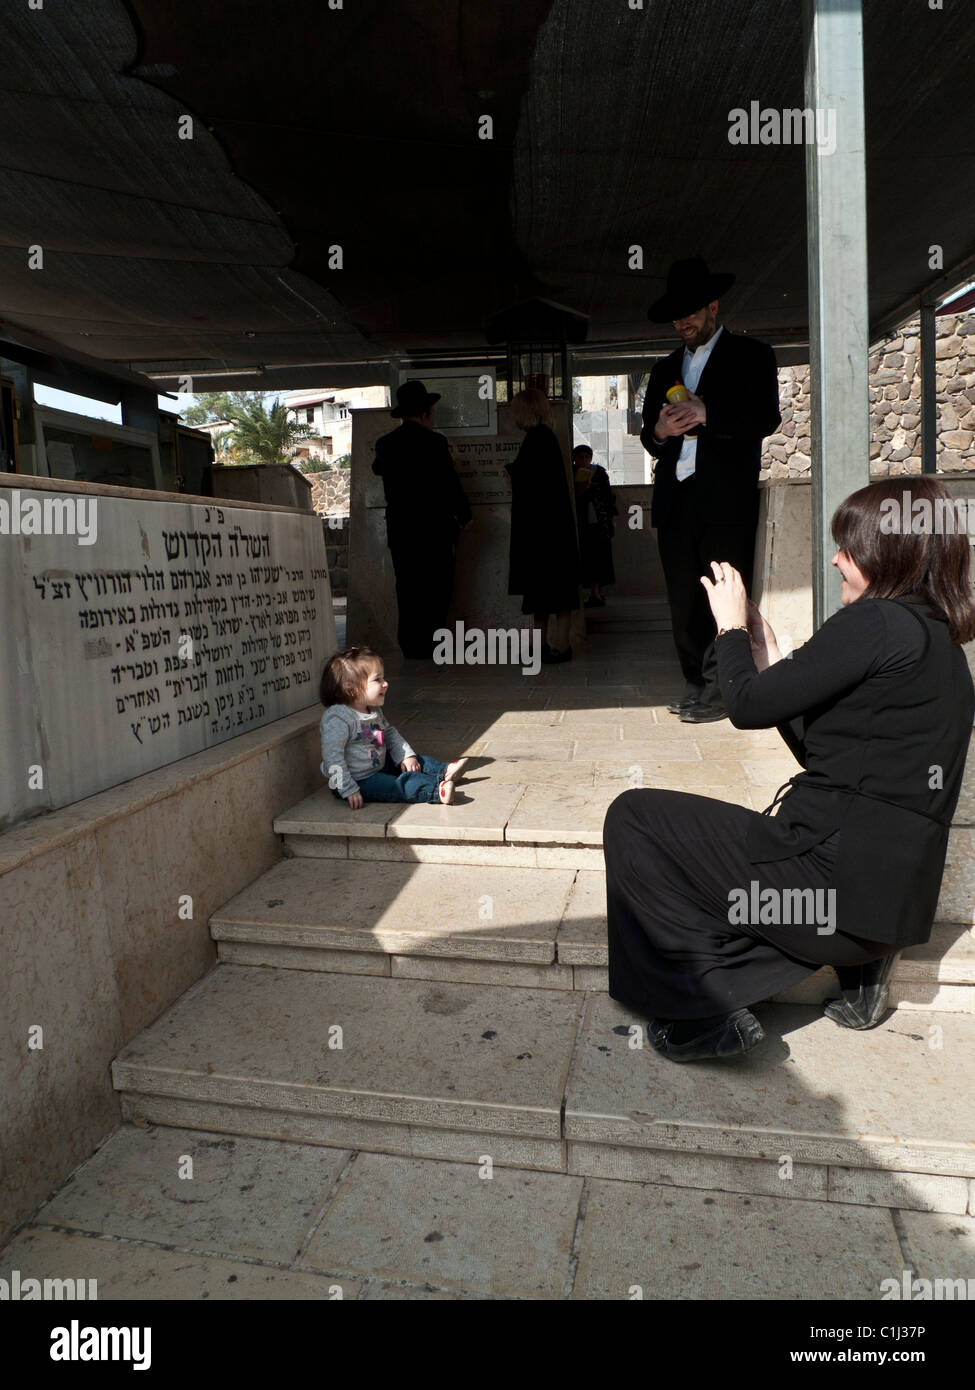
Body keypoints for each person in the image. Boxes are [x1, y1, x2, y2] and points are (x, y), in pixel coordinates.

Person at [602, 476, 975, 1062]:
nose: (835, 559)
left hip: (828, 888)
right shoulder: (943, 650)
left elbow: (744, 706)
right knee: (745, 884)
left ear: (890, 551)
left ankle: (695, 1008)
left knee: (635, 818)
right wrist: (769, 655)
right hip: (884, 911)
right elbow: (836, 757)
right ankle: (864, 971)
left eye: (848, 548)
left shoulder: (875, 623)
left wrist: (726, 627)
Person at [641, 257, 781, 722]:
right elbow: (649, 437)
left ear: (713, 306)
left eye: (692, 312)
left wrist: (709, 414)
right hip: (675, 503)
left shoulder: (753, 356)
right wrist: (660, 431)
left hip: (726, 503)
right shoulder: (662, 371)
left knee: (724, 597)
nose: (684, 321)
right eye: (677, 315)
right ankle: (695, 683)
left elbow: (766, 419)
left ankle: (725, 692)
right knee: (683, 600)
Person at [372, 380, 473, 659]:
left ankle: (411, 644)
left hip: (402, 528)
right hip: (435, 528)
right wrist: (464, 515)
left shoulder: (385, 444)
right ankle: (432, 643)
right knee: (437, 586)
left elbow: (377, 468)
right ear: (427, 412)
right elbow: (450, 483)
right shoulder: (435, 443)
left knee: (407, 586)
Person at [320, 645, 468, 807]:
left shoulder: (373, 710)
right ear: (352, 689)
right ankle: (434, 789)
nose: (385, 684)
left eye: (383, 678)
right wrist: (347, 788)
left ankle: (443, 771)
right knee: (396, 786)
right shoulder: (338, 718)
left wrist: (405, 755)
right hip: (358, 780)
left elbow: (388, 734)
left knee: (414, 760)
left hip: (378, 764)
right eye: (378, 680)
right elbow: (332, 757)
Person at [505, 388, 581, 663]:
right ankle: (553, 645)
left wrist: (513, 473)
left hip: (543, 533)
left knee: (547, 593)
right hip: (552, 531)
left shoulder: (537, 439)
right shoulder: (543, 438)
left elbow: (532, 483)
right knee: (554, 592)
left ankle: (557, 646)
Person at [573, 444, 618, 607]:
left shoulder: (599, 473)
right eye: (580, 457)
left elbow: (608, 497)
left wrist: (612, 519)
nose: (584, 461)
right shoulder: (572, 473)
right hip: (583, 524)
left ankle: (596, 592)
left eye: (587, 457)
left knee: (600, 558)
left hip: (600, 522)